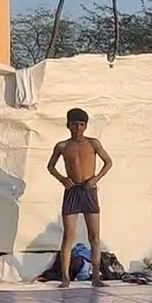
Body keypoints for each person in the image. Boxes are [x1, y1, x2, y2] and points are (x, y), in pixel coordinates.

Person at [46, 108, 113, 287]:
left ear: (86, 126)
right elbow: (50, 166)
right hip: (72, 190)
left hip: (89, 190)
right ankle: (66, 277)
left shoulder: (93, 143)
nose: (78, 128)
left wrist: (96, 178)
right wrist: (62, 179)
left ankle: (96, 276)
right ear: (68, 125)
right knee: (68, 235)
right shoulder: (62, 146)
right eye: (75, 124)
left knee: (95, 236)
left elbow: (108, 162)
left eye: (81, 124)